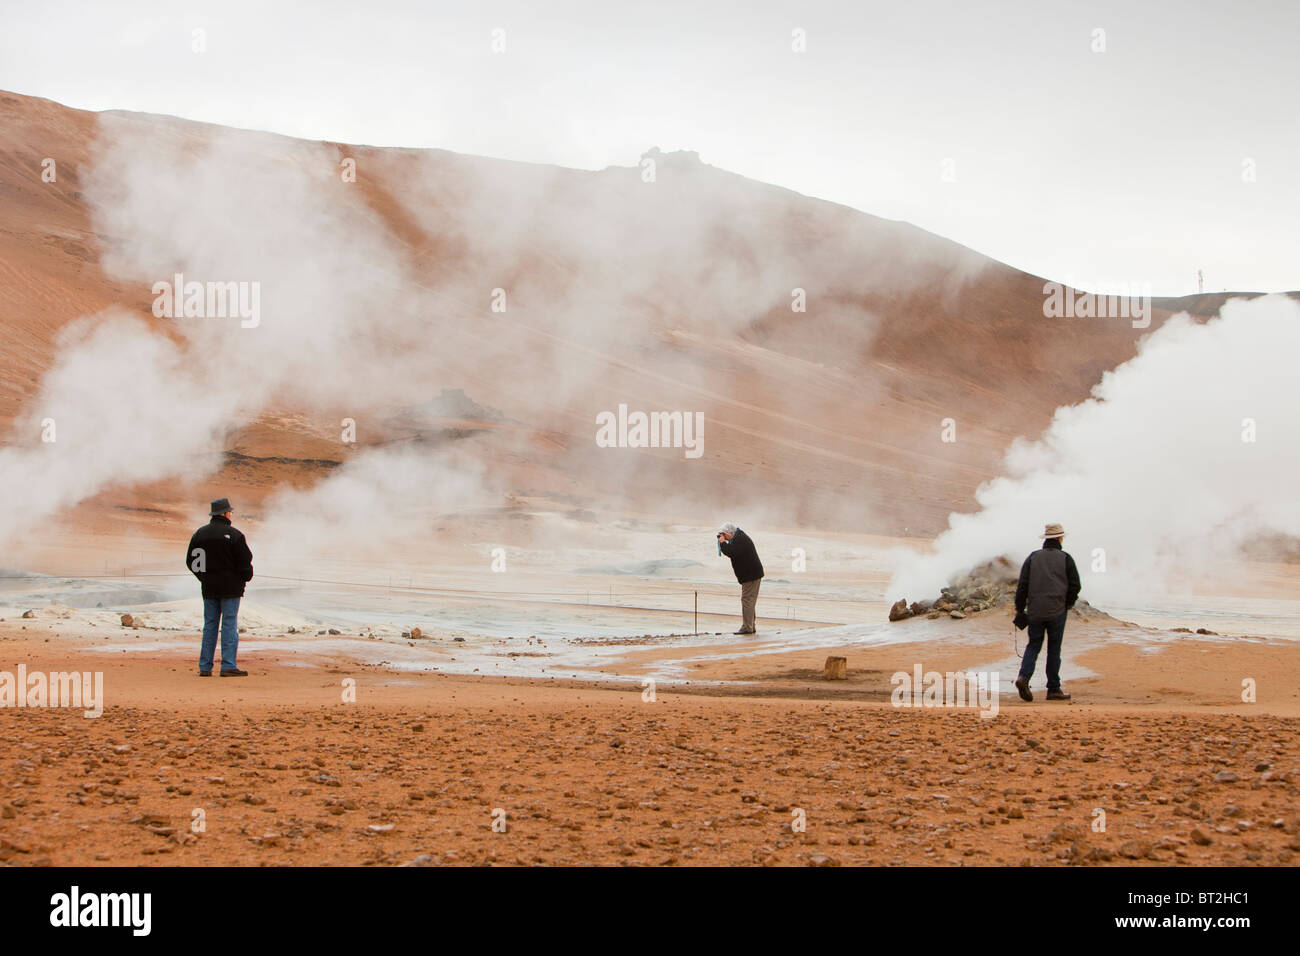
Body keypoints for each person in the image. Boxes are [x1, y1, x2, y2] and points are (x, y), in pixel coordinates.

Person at [185, 497, 254, 677]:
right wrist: (244, 578)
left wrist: (204, 577)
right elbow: (245, 562)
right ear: (225, 513)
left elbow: (192, 561)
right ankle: (228, 665)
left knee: (210, 625)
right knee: (229, 624)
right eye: (230, 512)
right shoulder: (235, 535)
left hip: (209, 587)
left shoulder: (200, 534)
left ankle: (205, 667)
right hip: (231, 588)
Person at [1013, 522, 1080, 702]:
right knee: (1054, 649)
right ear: (1059, 538)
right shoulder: (1066, 558)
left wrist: (1020, 610)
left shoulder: (1033, 558)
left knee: (1033, 645)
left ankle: (1023, 677)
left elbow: (1022, 587)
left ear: (1045, 539)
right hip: (1057, 611)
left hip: (1035, 611)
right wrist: (1066, 604)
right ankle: (1053, 689)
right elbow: (1075, 585)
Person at [716, 522, 764, 635]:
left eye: (724, 534)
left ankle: (747, 627)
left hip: (751, 575)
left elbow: (731, 552)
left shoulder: (740, 540)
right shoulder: (739, 537)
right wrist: (723, 542)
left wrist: (722, 543)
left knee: (747, 600)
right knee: (749, 600)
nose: (723, 537)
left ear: (730, 532)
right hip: (752, 574)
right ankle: (750, 626)